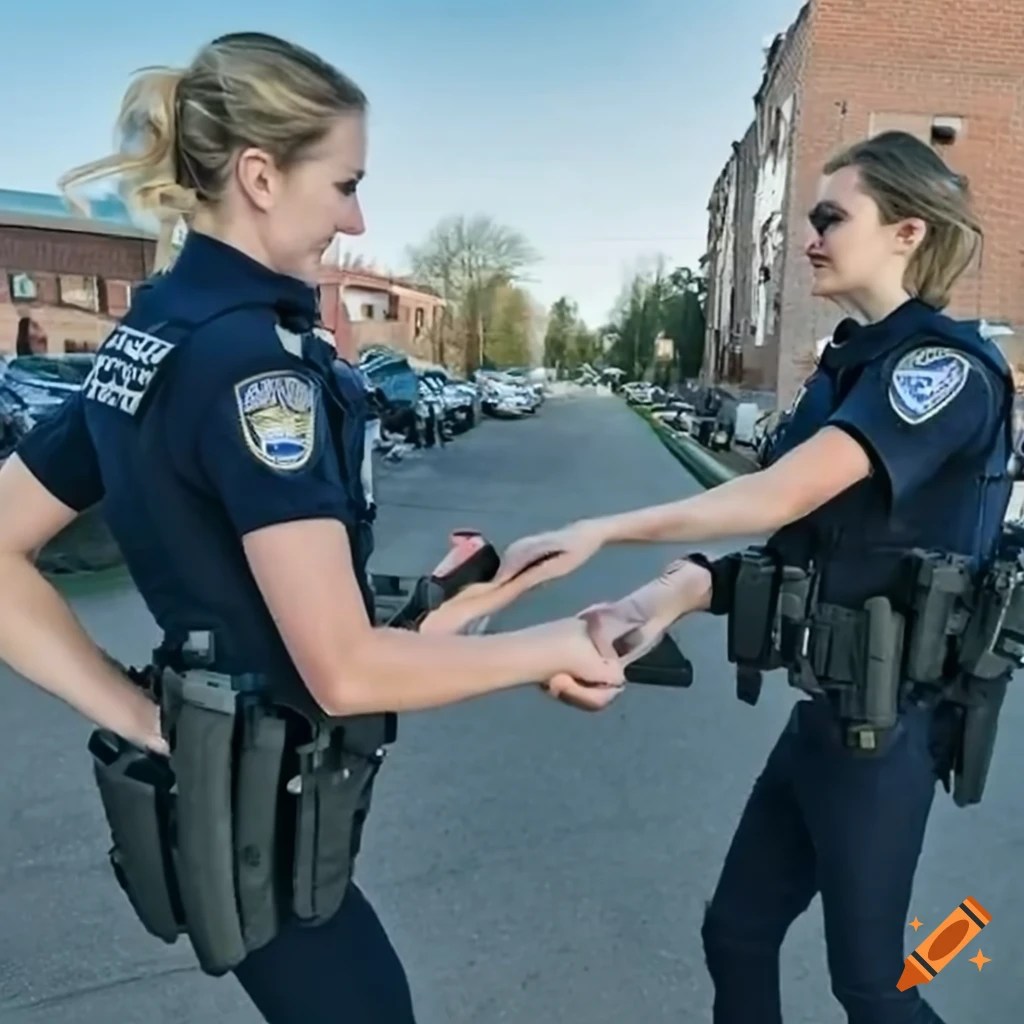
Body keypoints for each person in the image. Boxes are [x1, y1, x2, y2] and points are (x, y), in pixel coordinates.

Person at [0, 32, 626, 1024]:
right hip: (269, 834)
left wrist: (463, 603)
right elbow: (339, 670)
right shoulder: (255, 370)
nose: (355, 218)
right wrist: (557, 645)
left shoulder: (153, 340)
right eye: (344, 184)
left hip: (241, 807)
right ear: (260, 176)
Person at [497, 130, 1018, 1024]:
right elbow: (798, 553)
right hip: (827, 719)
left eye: (831, 218)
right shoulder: (850, 367)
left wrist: (603, 529)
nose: (809, 239)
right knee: (736, 934)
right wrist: (657, 599)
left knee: (871, 985)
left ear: (908, 232)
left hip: (887, 732)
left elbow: (779, 495)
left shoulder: (942, 371)